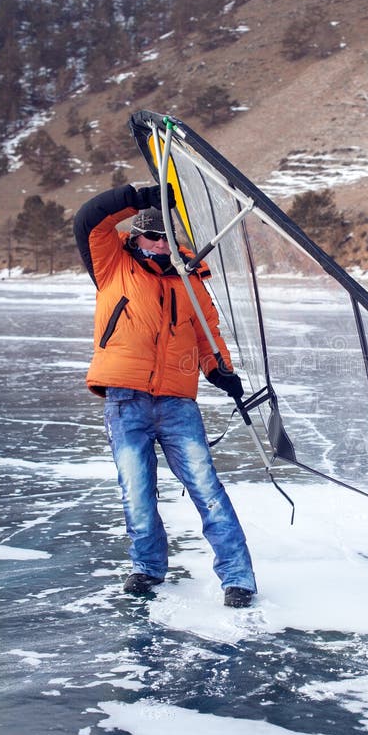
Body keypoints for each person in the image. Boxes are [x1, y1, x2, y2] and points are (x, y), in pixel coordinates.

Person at [73, 182, 257, 607]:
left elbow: (207, 330)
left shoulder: (189, 280)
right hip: (125, 399)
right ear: (135, 236)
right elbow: (87, 219)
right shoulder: (111, 264)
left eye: (165, 236)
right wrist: (140, 196)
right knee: (136, 491)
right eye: (150, 235)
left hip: (177, 402)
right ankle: (147, 567)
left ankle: (238, 577)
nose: (158, 243)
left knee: (207, 489)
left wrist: (219, 370)